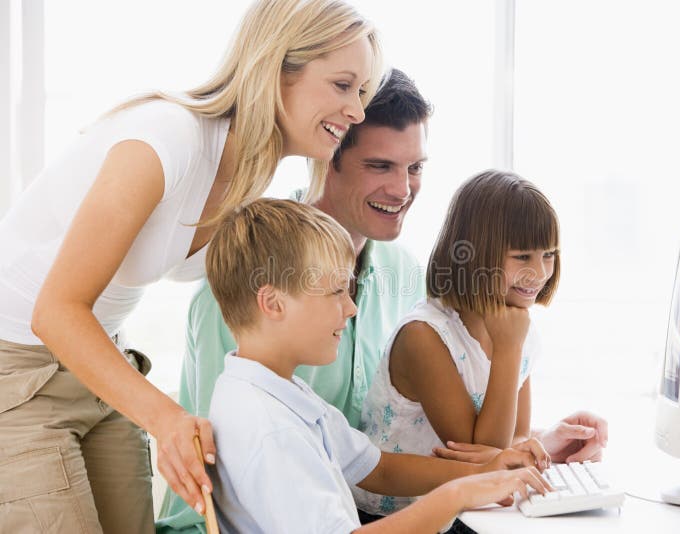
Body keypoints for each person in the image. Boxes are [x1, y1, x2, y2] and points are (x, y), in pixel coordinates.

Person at [0, 1, 382, 532]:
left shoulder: (251, 177)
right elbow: (55, 311)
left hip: (100, 361)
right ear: (275, 69)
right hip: (17, 371)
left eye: (363, 92)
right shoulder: (167, 138)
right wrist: (168, 419)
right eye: (343, 86)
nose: (358, 111)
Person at [157, 67, 431, 532]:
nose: (403, 190)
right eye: (380, 166)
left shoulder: (405, 272)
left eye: (416, 167)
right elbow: (210, 473)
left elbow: (383, 444)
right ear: (327, 158)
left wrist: (514, 456)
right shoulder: (251, 274)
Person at [203, 198, 553, 533]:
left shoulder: (279, 393)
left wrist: (484, 470)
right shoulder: (271, 431)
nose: (351, 308)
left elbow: (378, 468)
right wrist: (457, 494)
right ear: (274, 304)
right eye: (337, 292)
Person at [356, 170, 606, 516]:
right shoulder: (424, 335)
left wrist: (545, 443)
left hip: (463, 508)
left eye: (548, 254)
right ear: (474, 256)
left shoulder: (516, 328)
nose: (539, 272)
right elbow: (481, 449)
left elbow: (511, 440)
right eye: (522, 257)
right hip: (398, 516)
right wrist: (507, 351)